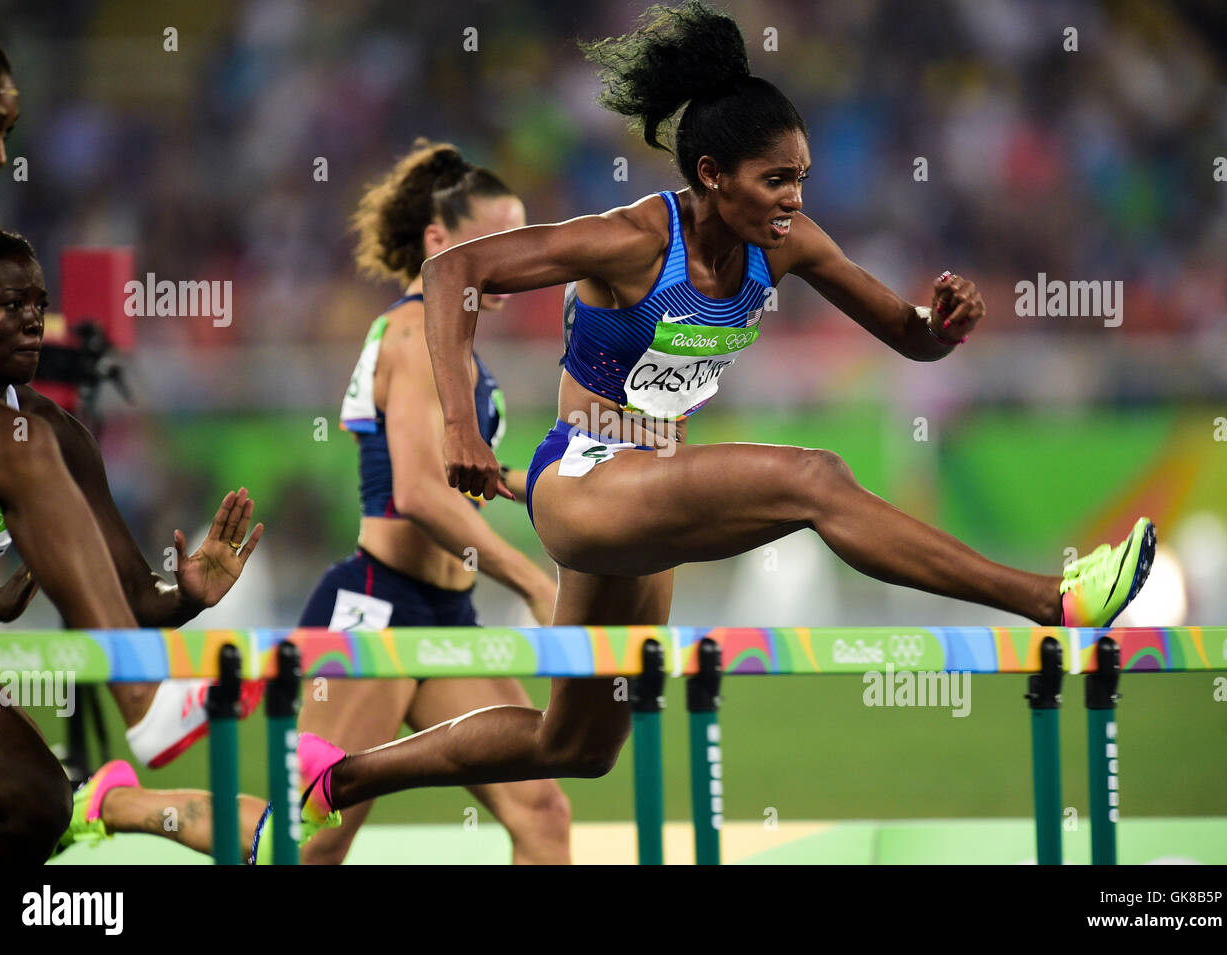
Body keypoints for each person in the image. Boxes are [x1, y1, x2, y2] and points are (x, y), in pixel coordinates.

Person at [289, 1, 1156, 823]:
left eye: (803, 179)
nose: (795, 200)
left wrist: (942, 328)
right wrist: (459, 425)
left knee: (577, 743)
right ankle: (1051, 599)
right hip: (583, 480)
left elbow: (909, 337)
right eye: (776, 180)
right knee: (814, 479)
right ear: (711, 175)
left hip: (650, 490)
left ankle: (345, 776)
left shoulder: (789, 245)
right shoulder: (634, 239)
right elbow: (453, 274)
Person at [296, 139, 569, 864]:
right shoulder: (417, 333)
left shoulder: (452, 338)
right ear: (439, 242)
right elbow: (417, 491)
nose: (513, 259)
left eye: (522, 241)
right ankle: (127, 806)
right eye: (494, 242)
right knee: (315, 838)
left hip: (446, 614)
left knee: (540, 808)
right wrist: (537, 580)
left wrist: (544, 482)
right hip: (380, 609)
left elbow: (457, 471)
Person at [0, 223, 268, 768]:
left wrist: (185, 596)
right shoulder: (28, 445)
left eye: (41, 303)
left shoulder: (54, 433)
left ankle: (145, 710)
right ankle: (142, 706)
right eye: (12, 304)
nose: (35, 320)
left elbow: (130, 595)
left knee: (38, 805)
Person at [0, 21, 140, 863]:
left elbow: (144, 592)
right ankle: (147, 698)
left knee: (38, 806)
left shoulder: (41, 419)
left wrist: (192, 585)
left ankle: (141, 682)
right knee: (18, 441)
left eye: (6, 131)